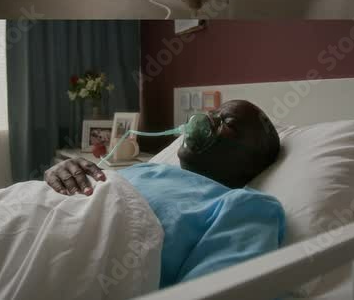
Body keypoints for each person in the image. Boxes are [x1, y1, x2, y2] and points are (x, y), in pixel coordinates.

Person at [44, 99, 284, 288]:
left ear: (250, 161)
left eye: (226, 122)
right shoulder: (149, 168)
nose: (205, 119)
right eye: (211, 113)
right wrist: (59, 174)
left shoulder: (245, 207)